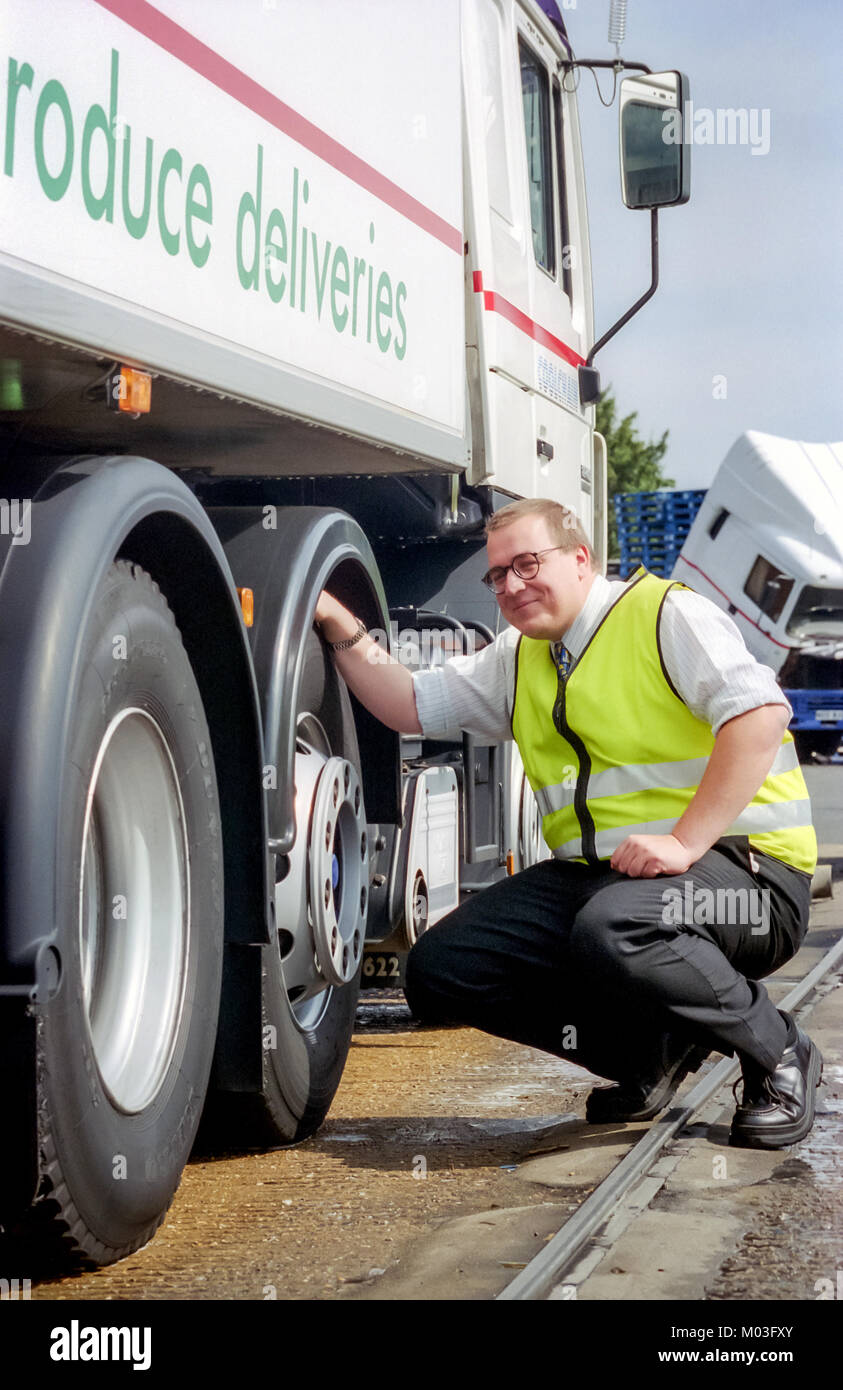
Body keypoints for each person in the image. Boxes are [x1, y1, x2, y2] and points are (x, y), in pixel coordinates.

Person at [314, 498, 822, 1148]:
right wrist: (340, 626)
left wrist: (682, 840)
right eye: (497, 575)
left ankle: (776, 1051)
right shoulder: (522, 656)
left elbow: (759, 717)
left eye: (527, 564)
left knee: (615, 928)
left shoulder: (665, 615)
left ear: (580, 558)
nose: (511, 585)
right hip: (612, 877)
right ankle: (647, 1056)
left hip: (747, 878)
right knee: (444, 967)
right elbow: (409, 704)